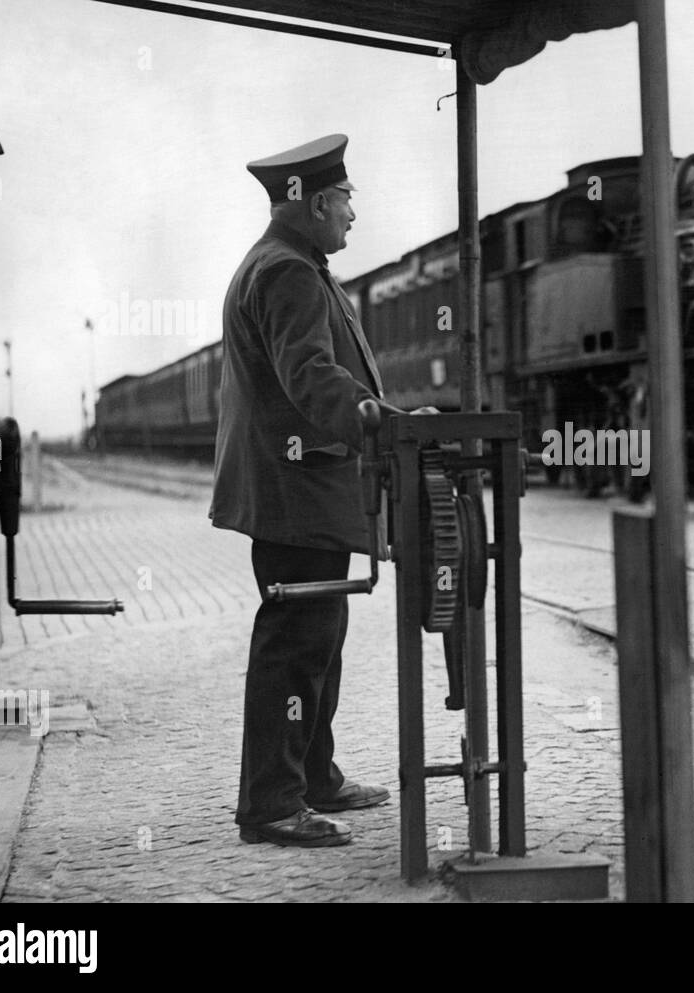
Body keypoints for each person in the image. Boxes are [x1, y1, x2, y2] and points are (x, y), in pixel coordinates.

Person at [211, 134, 414, 847]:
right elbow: (311, 376)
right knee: (296, 641)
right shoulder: (287, 272)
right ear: (318, 200)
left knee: (318, 633)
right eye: (348, 200)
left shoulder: (292, 264)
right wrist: (382, 424)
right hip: (295, 490)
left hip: (303, 487)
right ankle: (270, 801)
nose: (354, 214)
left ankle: (314, 773)